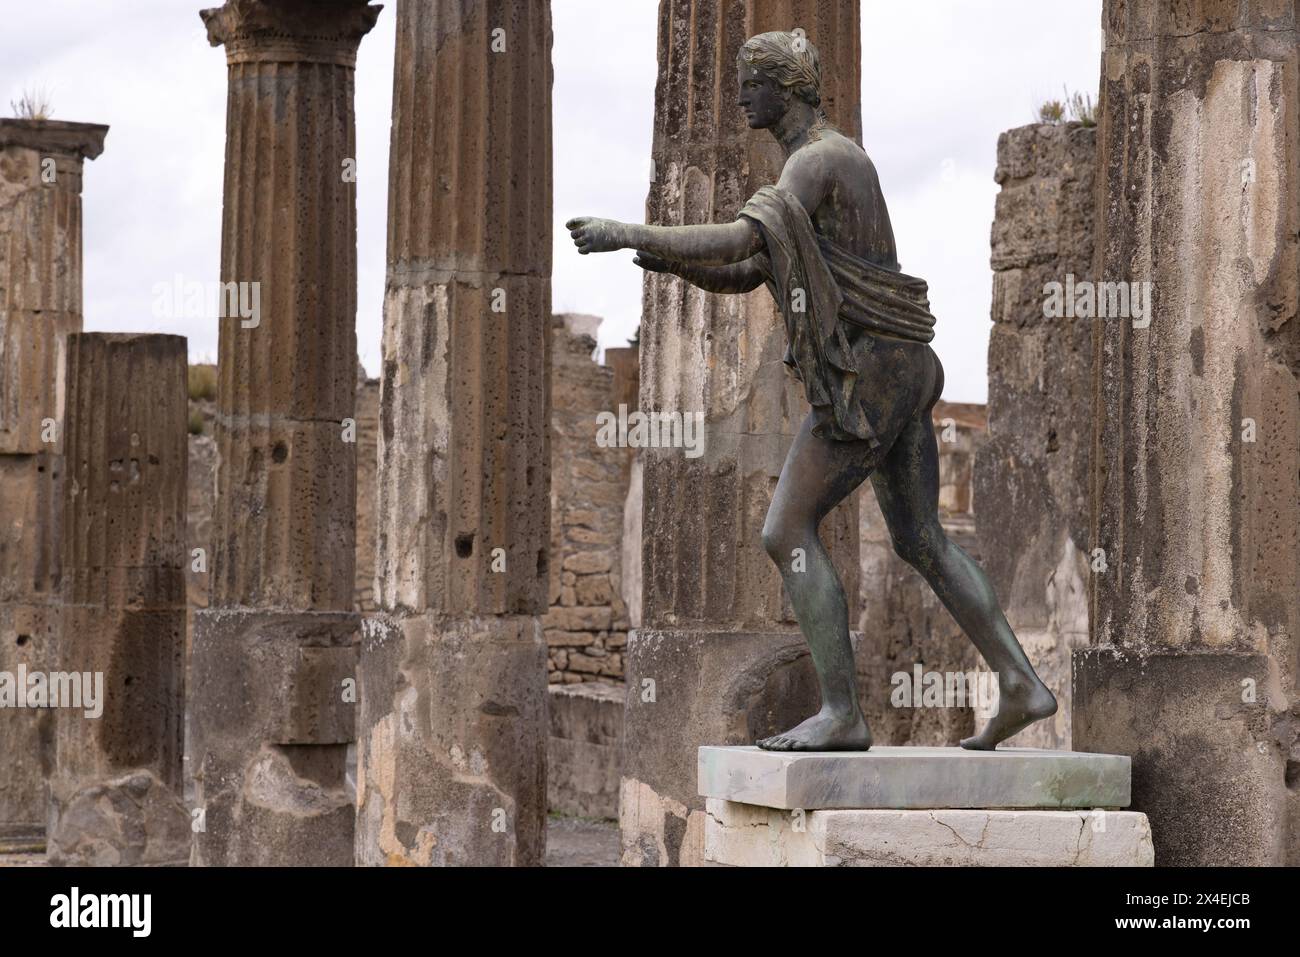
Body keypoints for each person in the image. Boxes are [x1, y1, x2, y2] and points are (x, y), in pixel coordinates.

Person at [567, 31, 1056, 751]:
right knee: (922, 540)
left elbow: (739, 241)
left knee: (784, 528)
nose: (739, 94)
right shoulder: (821, 166)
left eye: (751, 81)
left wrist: (627, 230)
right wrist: (667, 263)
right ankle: (1021, 682)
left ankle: (842, 712)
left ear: (785, 88)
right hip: (904, 365)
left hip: (871, 374)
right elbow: (749, 270)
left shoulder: (820, 161)